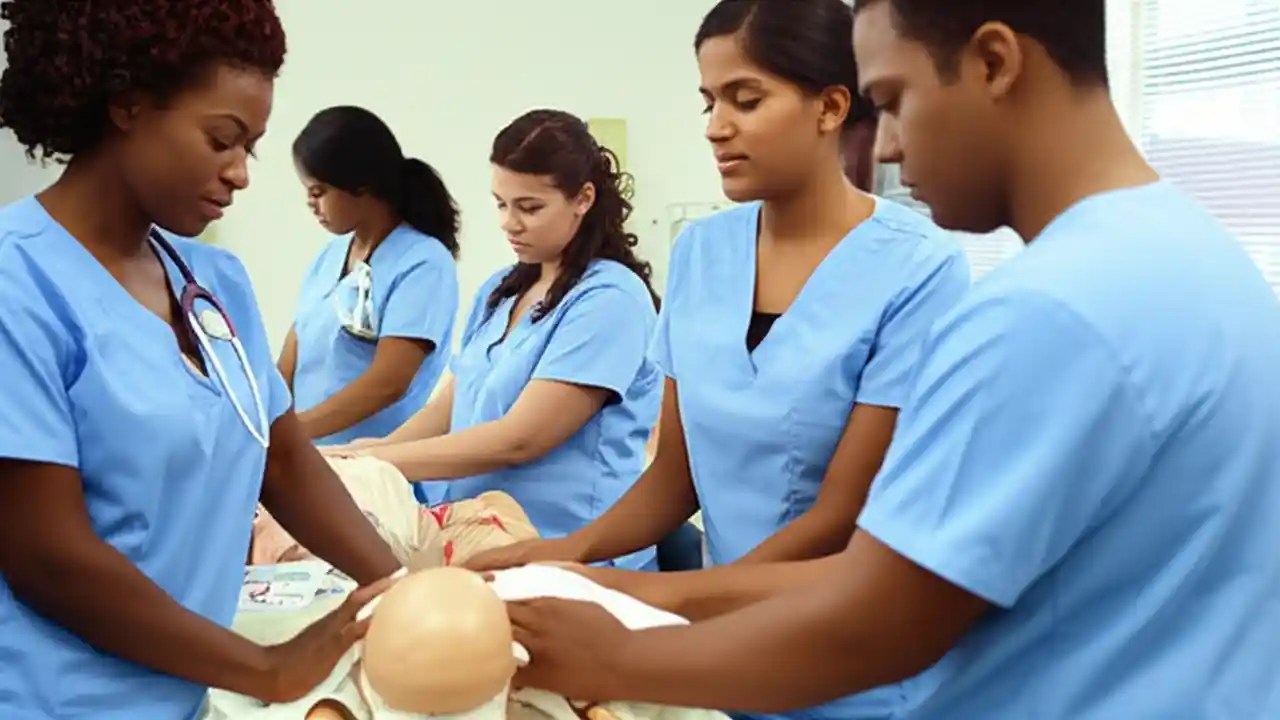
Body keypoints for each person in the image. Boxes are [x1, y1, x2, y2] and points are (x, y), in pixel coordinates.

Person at [500, 0, 1280, 718]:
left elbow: (877, 618)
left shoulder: (1045, 310)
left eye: (896, 101)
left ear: (995, 62)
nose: (889, 145)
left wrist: (620, 640)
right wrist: (595, 576)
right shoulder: (1195, 255)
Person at [0, 2, 403, 717]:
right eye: (222, 140)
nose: (241, 173)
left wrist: (402, 588)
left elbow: (284, 461)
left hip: (179, 699)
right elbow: (44, 555)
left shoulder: (214, 284)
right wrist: (267, 669)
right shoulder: (18, 283)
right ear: (127, 103)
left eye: (251, 147)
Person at [328, 109, 663, 569]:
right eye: (501, 204)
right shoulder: (501, 291)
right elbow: (448, 407)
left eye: (530, 207)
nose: (509, 222)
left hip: (568, 554)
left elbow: (520, 439)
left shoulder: (611, 299)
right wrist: (364, 455)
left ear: (583, 199)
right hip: (479, 541)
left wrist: (379, 462)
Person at [279, 105, 461, 446]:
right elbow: (294, 348)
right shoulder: (330, 257)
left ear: (361, 185)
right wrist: (270, 422)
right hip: (308, 454)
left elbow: (388, 382)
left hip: (372, 461)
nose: (310, 204)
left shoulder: (423, 263)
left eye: (318, 192)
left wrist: (294, 433)